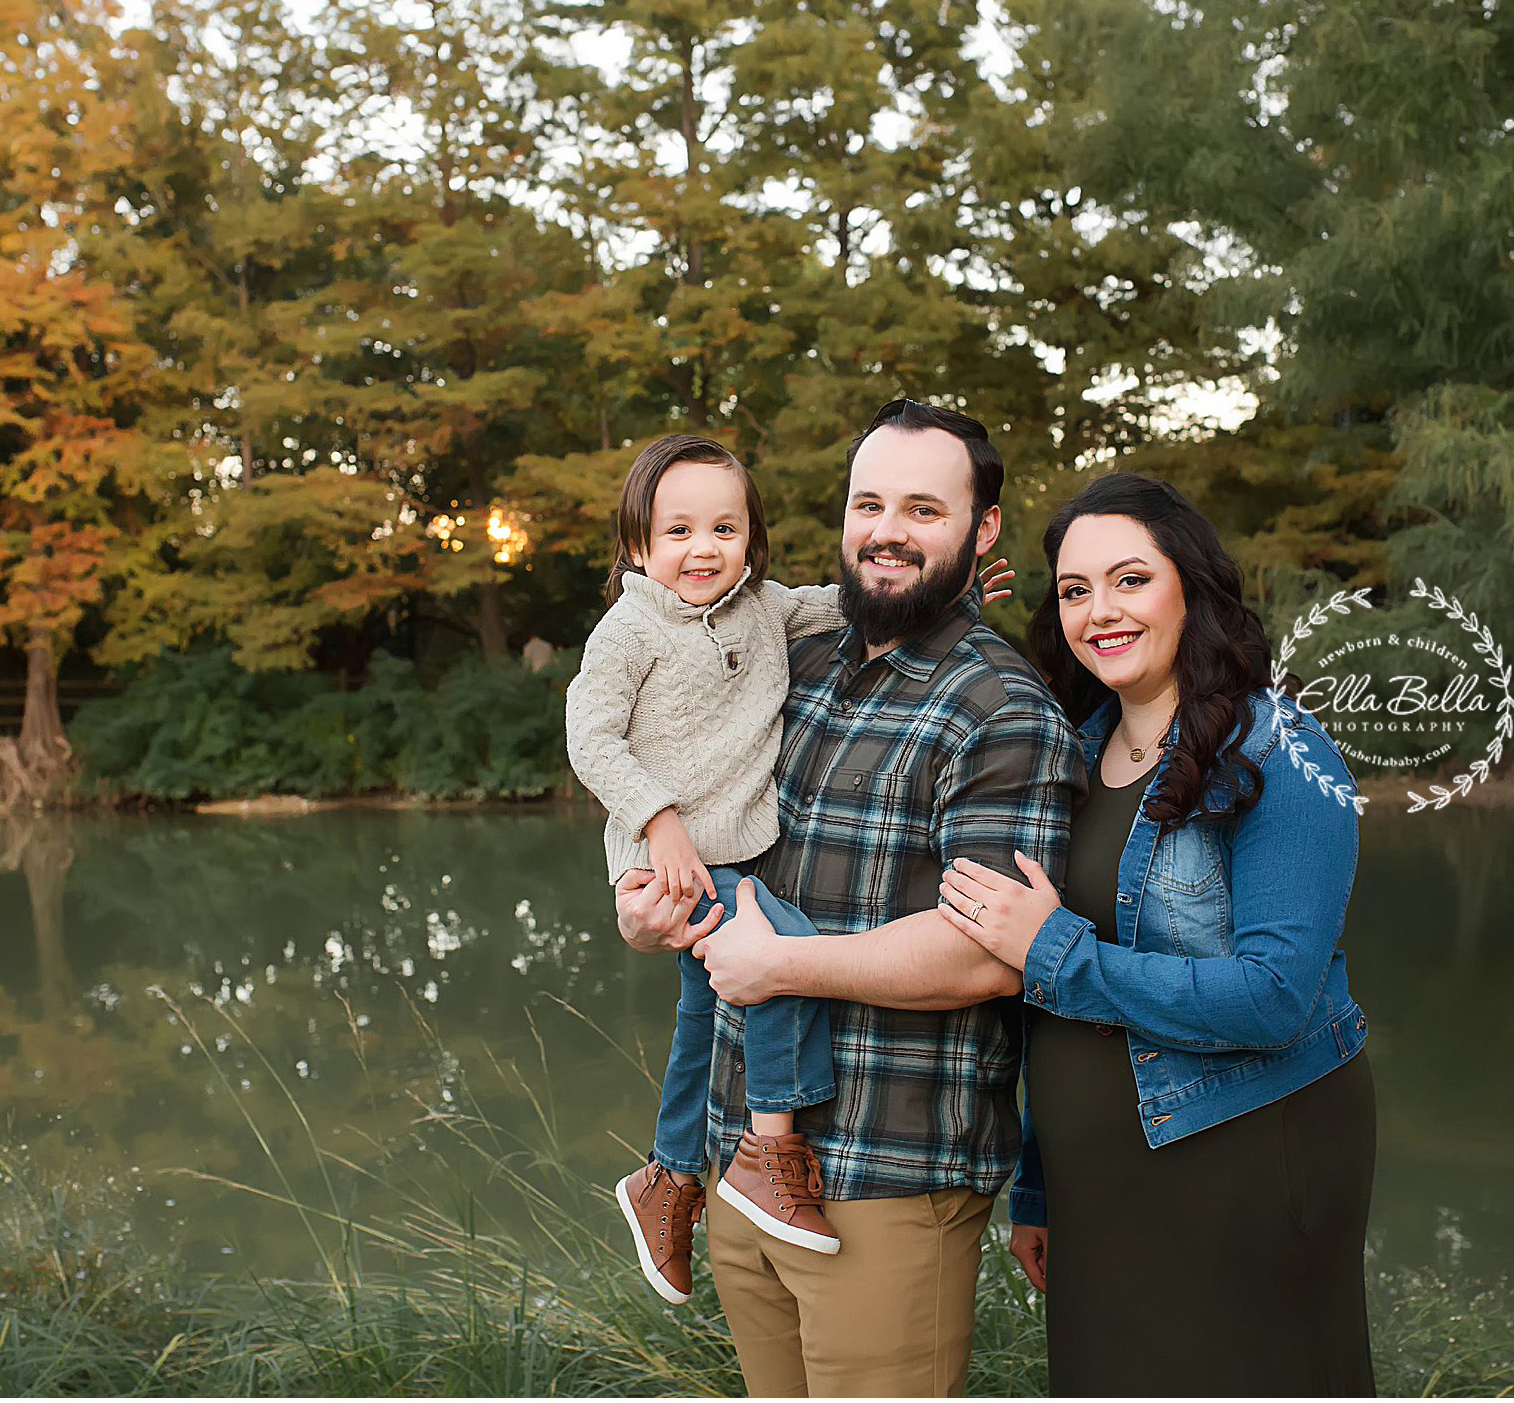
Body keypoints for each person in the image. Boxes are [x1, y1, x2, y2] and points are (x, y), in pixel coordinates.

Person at [613, 400, 1084, 1397]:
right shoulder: (798, 662)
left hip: (888, 1176)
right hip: (739, 1157)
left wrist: (783, 963)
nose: (886, 529)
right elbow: (694, 809)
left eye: (922, 507)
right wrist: (644, 910)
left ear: (980, 528)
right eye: (869, 503)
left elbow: (989, 951)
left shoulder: (1001, 709)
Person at [939, 472, 1377, 1396]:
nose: (1101, 610)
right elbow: (1053, 1020)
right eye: (1074, 589)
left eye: (1130, 579)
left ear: (1191, 584)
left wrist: (1053, 949)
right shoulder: (1071, 744)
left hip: (1241, 1159)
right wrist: (1039, 1187)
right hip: (1100, 1188)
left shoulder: (1279, 751)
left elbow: (1273, 996)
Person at [566, 431, 1017, 1307]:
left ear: (751, 536)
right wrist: (658, 824)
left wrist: (951, 585)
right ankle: (771, 1148)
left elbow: (850, 605)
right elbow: (590, 739)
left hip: (725, 848)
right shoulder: (629, 629)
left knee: (702, 1017)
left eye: (725, 529)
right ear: (637, 547)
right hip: (673, 847)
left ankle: (667, 1172)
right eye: (678, 532)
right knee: (784, 958)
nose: (704, 550)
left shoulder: (764, 610)